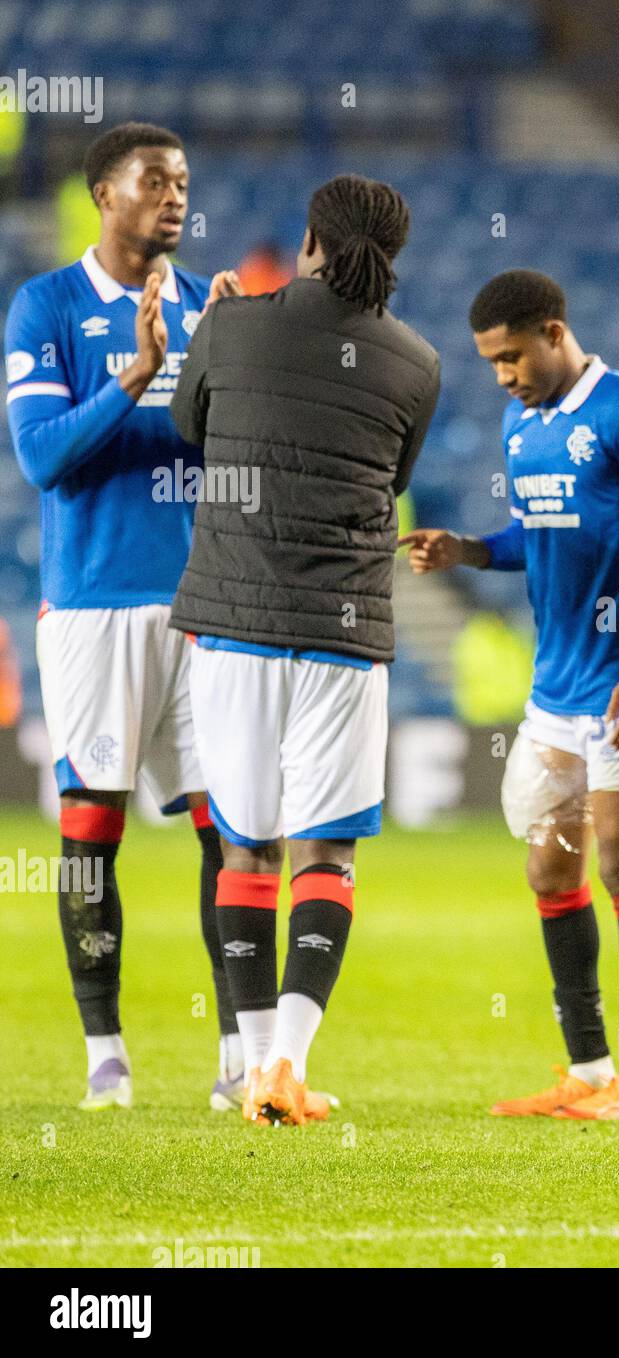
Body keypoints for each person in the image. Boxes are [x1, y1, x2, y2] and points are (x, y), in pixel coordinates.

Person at [168, 174, 440, 1125]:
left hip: (233, 625)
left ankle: (247, 1071)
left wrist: (215, 333)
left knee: (246, 843)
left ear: (310, 240)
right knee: (328, 849)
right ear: (393, 256)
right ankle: (286, 1066)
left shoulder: (233, 322)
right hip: (345, 628)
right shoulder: (416, 361)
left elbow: (189, 428)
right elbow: (394, 474)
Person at [401, 269, 619, 1121]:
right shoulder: (520, 422)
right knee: (549, 870)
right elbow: (536, 535)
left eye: (512, 357)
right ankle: (586, 1069)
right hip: (555, 693)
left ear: (553, 330)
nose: (504, 376)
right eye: (492, 364)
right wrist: (467, 550)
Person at [5, 121, 244, 1111]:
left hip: (200, 607)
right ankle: (106, 1051)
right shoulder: (47, 306)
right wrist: (136, 375)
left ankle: (241, 1052)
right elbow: (43, 457)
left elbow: (231, 459)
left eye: (184, 181)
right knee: (93, 828)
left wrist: (244, 364)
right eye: (155, 181)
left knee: (229, 831)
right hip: (97, 607)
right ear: (106, 194)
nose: (175, 197)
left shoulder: (204, 306)